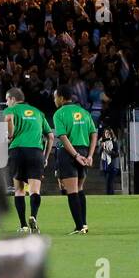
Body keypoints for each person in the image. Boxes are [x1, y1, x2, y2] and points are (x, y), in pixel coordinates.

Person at [3, 87, 52, 234]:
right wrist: (46, 156)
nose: (6, 103)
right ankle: (33, 216)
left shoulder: (11, 110)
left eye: (7, 99)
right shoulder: (38, 112)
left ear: (13, 99)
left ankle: (23, 225)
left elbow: (8, 119)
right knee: (34, 190)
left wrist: (11, 135)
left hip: (17, 150)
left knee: (19, 190)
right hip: (36, 152)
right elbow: (50, 136)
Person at [52, 90, 98, 234]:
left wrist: (75, 155)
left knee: (71, 190)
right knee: (79, 188)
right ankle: (84, 225)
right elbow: (94, 133)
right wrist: (90, 155)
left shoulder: (59, 114)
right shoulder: (84, 112)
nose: (54, 100)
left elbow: (63, 137)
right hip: (84, 150)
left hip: (68, 153)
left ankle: (79, 227)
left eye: (55, 97)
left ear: (60, 97)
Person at [99, 128, 120, 195]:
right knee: (108, 181)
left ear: (111, 134)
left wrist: (108, 152)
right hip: (105, 164)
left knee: (110, 181)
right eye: (105, 133)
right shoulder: (103, 142)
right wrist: (102, 147)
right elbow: (99, 153)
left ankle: (110, 194)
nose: (106, 134)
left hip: (113, 165)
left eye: (108, 133)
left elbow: (117, 153)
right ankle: (109, 195)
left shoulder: (114, 142)